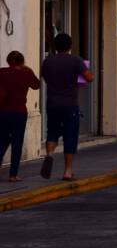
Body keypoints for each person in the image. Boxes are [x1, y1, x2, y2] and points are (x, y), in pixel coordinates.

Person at [40, 33, 93, 181]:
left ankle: (50, 154)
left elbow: (45, 78)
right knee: (70, 137)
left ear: (55, 46)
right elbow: (89, 77)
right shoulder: (75, 60)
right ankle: (68, 171)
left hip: (53, 104)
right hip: (70, 104)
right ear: (70, 46)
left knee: (52, 133)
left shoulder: (48, 61)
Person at [0, 51, 40, 182]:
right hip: (19, 112)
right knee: (17, 143)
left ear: (8, 61)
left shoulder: (2, 72)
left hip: (3, 112)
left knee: (2, 141)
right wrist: (28, 69)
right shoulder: (26, 73)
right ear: (22, 61)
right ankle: (13, 175)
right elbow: (36, 85)